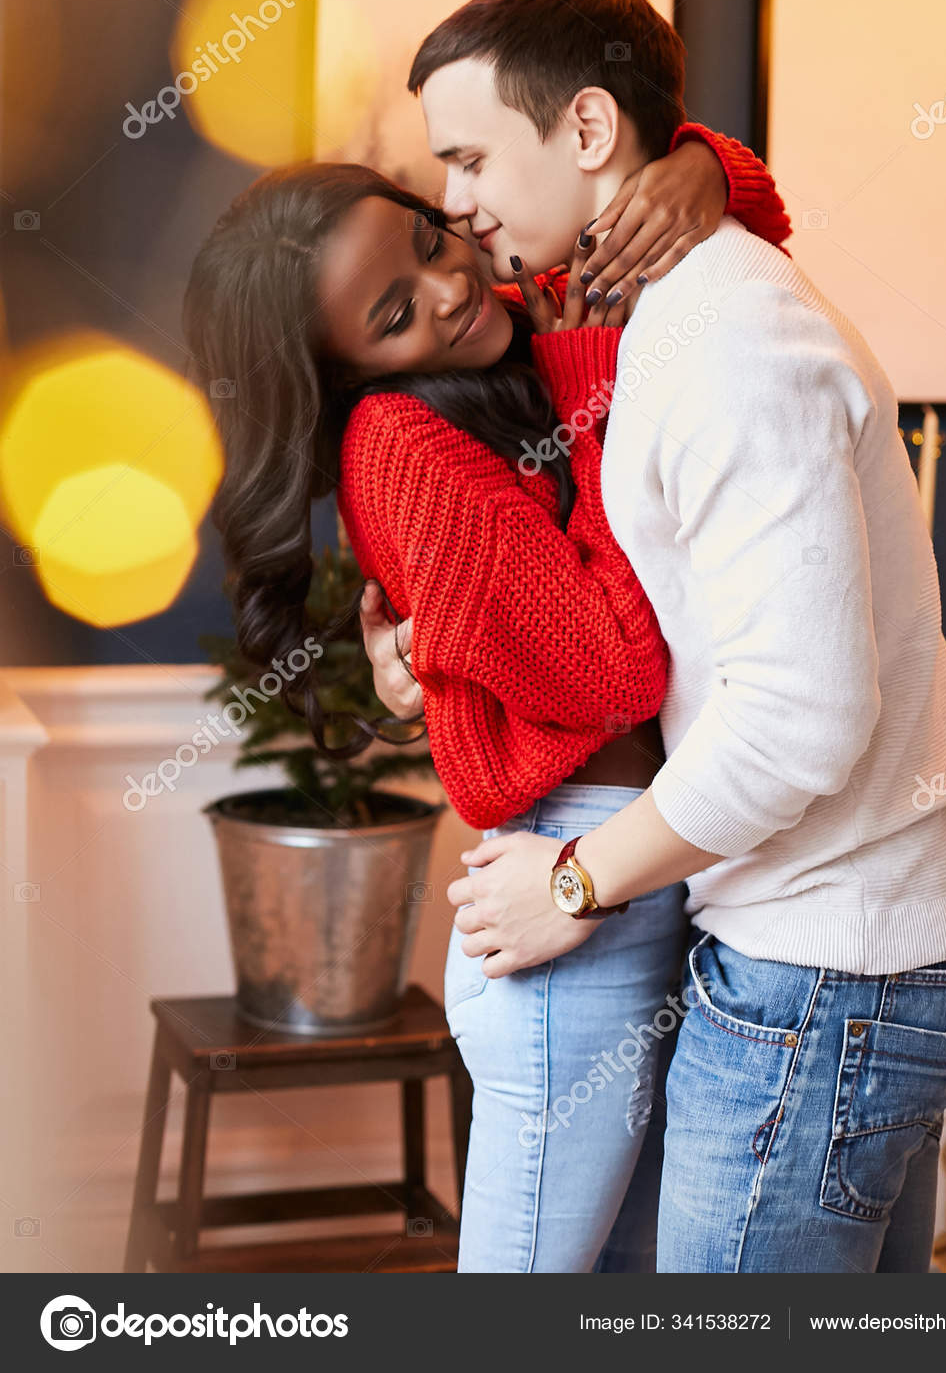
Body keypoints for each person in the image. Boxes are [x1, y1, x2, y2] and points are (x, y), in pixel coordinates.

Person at [367, 0, 946, 1275]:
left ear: (588, 132)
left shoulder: (722, 341)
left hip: (825, 972)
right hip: (841, 959)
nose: (456, 199)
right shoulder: (662, 302)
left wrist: (571, 881)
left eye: (472, 156)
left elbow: (799, 719)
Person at [182, 106, 789, 1273]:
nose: (449, 287)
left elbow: (754, 223)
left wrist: (695, 165)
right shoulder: (404, 443)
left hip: (666, 866)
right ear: (344, 367)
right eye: (394, 314)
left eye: (423, 238)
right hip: (569, 903)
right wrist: (584, 377)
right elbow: (613, 668)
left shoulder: (523, 311)